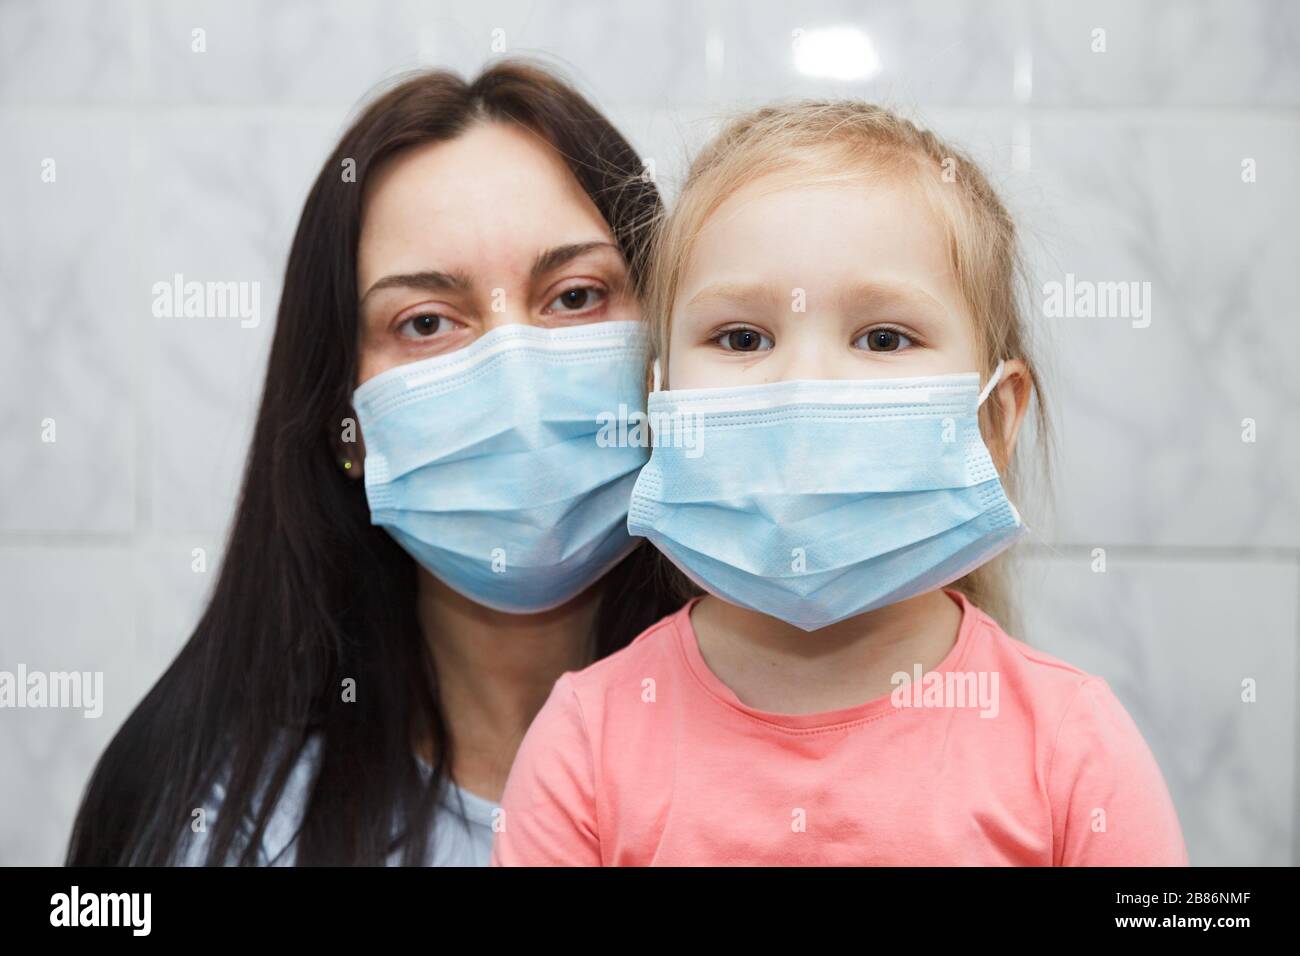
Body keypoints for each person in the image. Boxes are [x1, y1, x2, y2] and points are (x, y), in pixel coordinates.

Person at [491, 101, 1189, 866]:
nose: (803, 383)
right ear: (658, 401)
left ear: (994, 418)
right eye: (742, 337)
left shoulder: (1074, 750)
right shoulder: (584, 748)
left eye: (883, 337)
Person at [65, 60, 683, 866]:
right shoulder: (223, 822)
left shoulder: (804, 774)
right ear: (344, 423)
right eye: (427, 322)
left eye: (574, 296)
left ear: (673, 344)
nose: (517, 376)